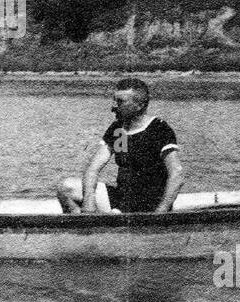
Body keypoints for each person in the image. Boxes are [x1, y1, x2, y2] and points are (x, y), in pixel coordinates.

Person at [56, 77, 183, 214]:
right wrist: (89, 202)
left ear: (140, 105)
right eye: (114, 100)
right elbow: (93, 169)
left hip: (150, 204)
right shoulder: (118, 130)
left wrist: (161, 212)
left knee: (116, 213)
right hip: (123, 199)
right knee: (66, 188)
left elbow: (177, 174)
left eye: (120, 102)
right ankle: (85, 231)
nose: (113, 106)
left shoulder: (159, 129)